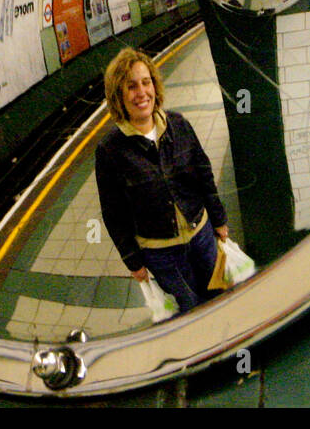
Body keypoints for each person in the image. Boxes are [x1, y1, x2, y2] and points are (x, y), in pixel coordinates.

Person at [94, 47, 229, 315]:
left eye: (146, 83)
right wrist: (132, 261)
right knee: (189, 309)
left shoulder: (178, 125)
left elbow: (204, 174)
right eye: (131, 86)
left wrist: (219, 219)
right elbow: (113, 213)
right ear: (118, 95)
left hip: (201, 236)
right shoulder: (110, 150)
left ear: (155, 86)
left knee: (221, 295)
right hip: (162, 255)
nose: (141, 93)